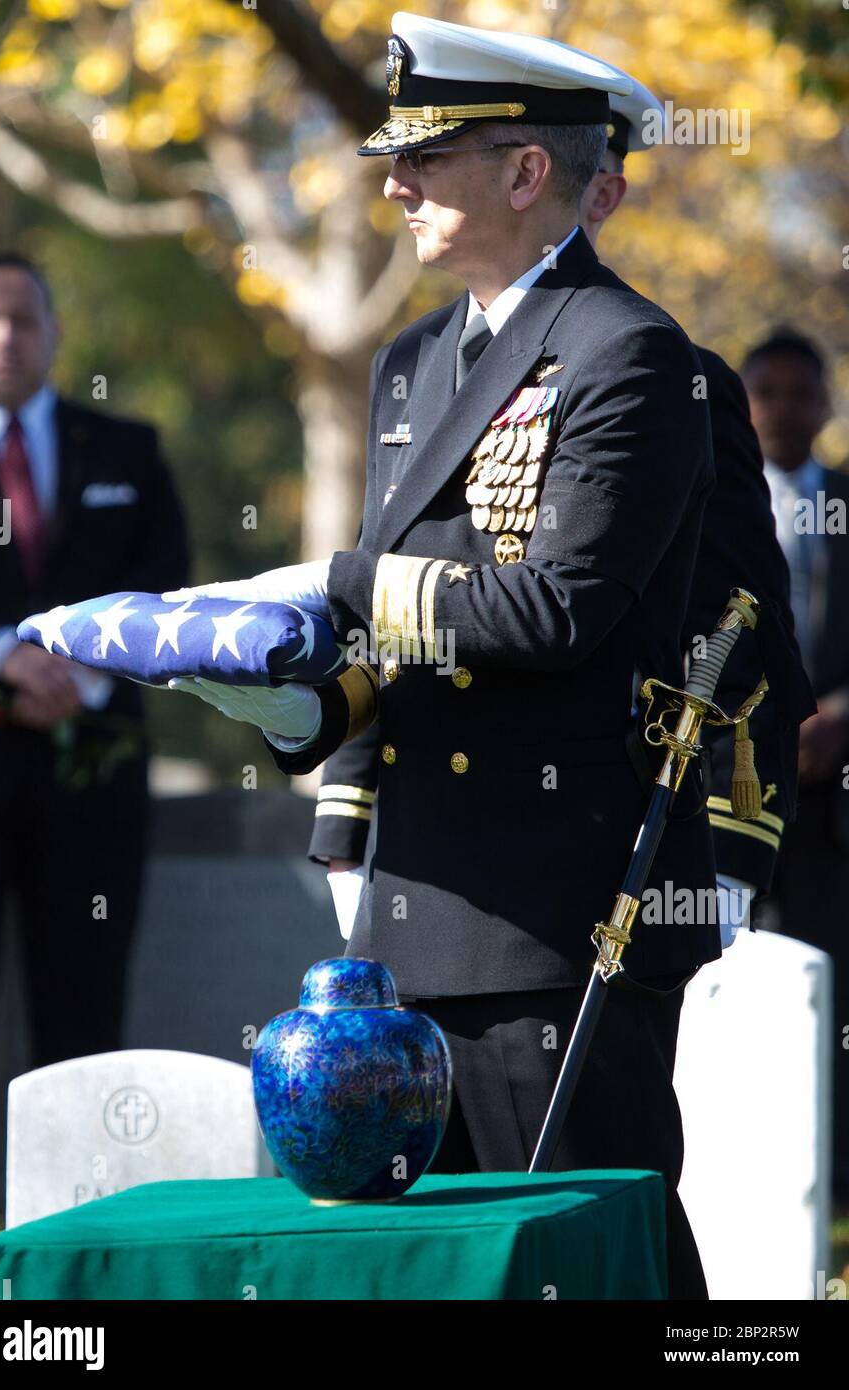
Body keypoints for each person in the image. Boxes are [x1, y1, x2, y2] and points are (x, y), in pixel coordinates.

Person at [310, 74, 815, 959]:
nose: (397, 184)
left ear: (545, 178)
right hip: (420, 865)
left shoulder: (650, 363)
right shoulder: (413, 358)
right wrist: (345, 821)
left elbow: (735, 621)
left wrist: (732, 851)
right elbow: (380, 589)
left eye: (427, 157)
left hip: (570, 871)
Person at [0, 252, 190, 1218]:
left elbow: (168, 579)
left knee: (83, 1008)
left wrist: (82, 673)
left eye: (22, 318)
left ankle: (81, 1224)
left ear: (52, 331)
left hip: (93, 786)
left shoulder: (126, 449)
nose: (6, 336)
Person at [742, 328, 849, 1204]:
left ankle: (834, 1175)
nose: (782, 408)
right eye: (764, 392)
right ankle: (749, 1165)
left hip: (835, 807)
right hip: (734, 792)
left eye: (797, 392)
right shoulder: (713, 503)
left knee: (832, 976)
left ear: (825, 403)